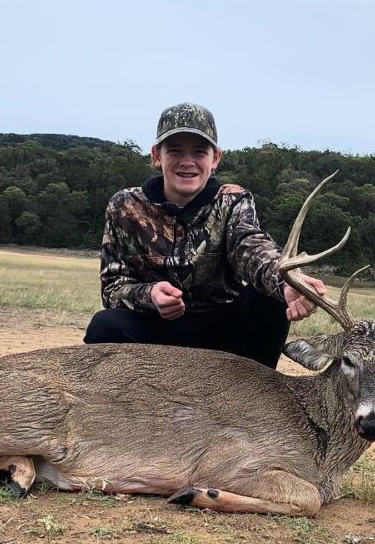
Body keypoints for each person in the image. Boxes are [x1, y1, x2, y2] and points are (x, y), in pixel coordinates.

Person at [83, 103, 325, 368]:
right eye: (175, 151)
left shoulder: (233, 201)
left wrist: (285, 282)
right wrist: (149, 295)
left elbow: (251, 247)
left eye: (199, 151)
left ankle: (254, 390)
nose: (187, 162)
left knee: (270, 299)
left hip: (223, 331)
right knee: (104, 326)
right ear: (156, 156)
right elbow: (113, 288)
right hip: (156, 330)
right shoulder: (124, 206)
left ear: (215, 158)